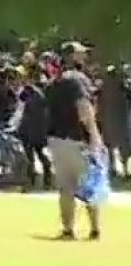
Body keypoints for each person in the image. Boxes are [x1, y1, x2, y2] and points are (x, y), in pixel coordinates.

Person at [45, 41, 104, 240]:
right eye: (80, 54)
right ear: (73, 57)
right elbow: (84, 108)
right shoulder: (78, 80)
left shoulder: (55, 81)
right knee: (90, 184)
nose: (84, 57)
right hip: (78, 139)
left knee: (66, 187)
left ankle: (68, 229)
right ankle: (95, 229)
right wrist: (95, 136)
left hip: (57, 139)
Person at [18, 71, 52, 190]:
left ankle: (31, 181)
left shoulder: (34, 95)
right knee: (37, 154)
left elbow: (28, 114)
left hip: (32, 130)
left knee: (31, 156)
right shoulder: (38, 95)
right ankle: (43, 178)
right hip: (36, 130)